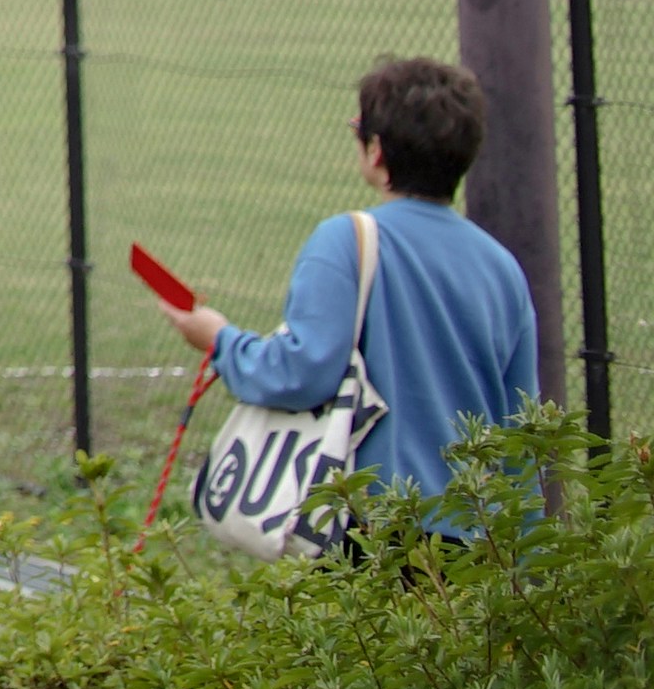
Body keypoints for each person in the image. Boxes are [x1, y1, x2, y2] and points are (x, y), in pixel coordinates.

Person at [163, 51, 545, 505]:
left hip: (375, 531)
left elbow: (301, 373)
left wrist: (221, 341)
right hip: (481, 533)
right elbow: (522, 430)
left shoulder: (345, 240)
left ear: (377, 149)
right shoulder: (501, 267)